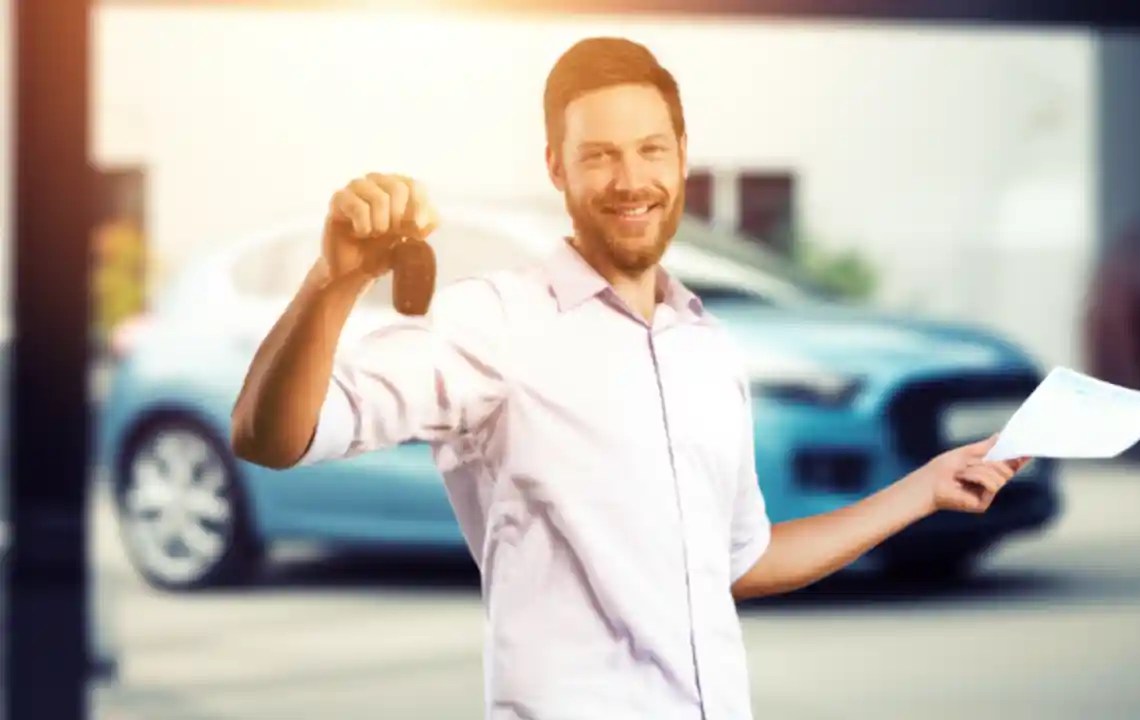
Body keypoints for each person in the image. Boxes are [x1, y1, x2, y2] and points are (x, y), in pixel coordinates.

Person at [231, 36, 1030, 720]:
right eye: (599, 155)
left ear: (683, 157)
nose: (630, 179)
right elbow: (273, 436)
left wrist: (926, 488)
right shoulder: (497, 323)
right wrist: (330, 283)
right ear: (557, 168)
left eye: (651, 149)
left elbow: (742, 564)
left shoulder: (707, 348)